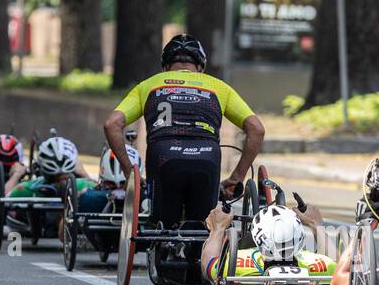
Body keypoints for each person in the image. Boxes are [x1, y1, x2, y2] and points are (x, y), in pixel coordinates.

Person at [102, 34, 265, 229]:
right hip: (207, 158)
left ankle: (163, 241)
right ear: (201, 67)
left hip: (163, 157)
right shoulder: (219, 88)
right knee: (204, 228)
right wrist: (236, 177)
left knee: (161, 226)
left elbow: (111, 124)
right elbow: (257, 129)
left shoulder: (149, 85)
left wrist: (129, 171)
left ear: (165, 67)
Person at [200, 201, 335, 285]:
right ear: (300, 236)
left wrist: (218, 228)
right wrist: (316, 224)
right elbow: (338, 268)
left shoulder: (238, 265)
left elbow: (209, 265)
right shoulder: (320, 266)